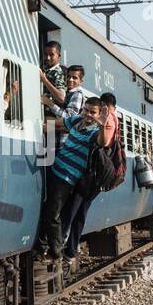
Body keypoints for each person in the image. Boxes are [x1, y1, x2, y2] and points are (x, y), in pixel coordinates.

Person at [36, 97, 110, 266]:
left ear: (98, 114)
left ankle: (56, 253)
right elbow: (56, 125)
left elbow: (103, 142)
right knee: (46, 208)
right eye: (86, 110)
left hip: (68, 178)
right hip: (55, 169)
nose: (88, 115)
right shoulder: (77, 120)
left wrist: (102, 125)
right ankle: (41, 247)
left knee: (53, 213)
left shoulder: (94, 132)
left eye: (93, 112)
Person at [61, 91, 121, 262]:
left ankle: (65, 246)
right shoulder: (108, 119)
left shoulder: (109, 121)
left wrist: (99, 125)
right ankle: (71, 248)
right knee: (80, 212)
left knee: (73, 210)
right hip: (95, 174)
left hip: (92, 175)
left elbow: (104, 142)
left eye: (100, 109)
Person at [38, 41, 67, 119]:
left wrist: (44, 79)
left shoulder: (58, 72)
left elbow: (61, 98)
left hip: (51, 117)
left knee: (51, 131)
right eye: (46, 54)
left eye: (51, 55)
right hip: (40, 114)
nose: (48, 58)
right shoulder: (45, 68)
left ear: (59, 56)